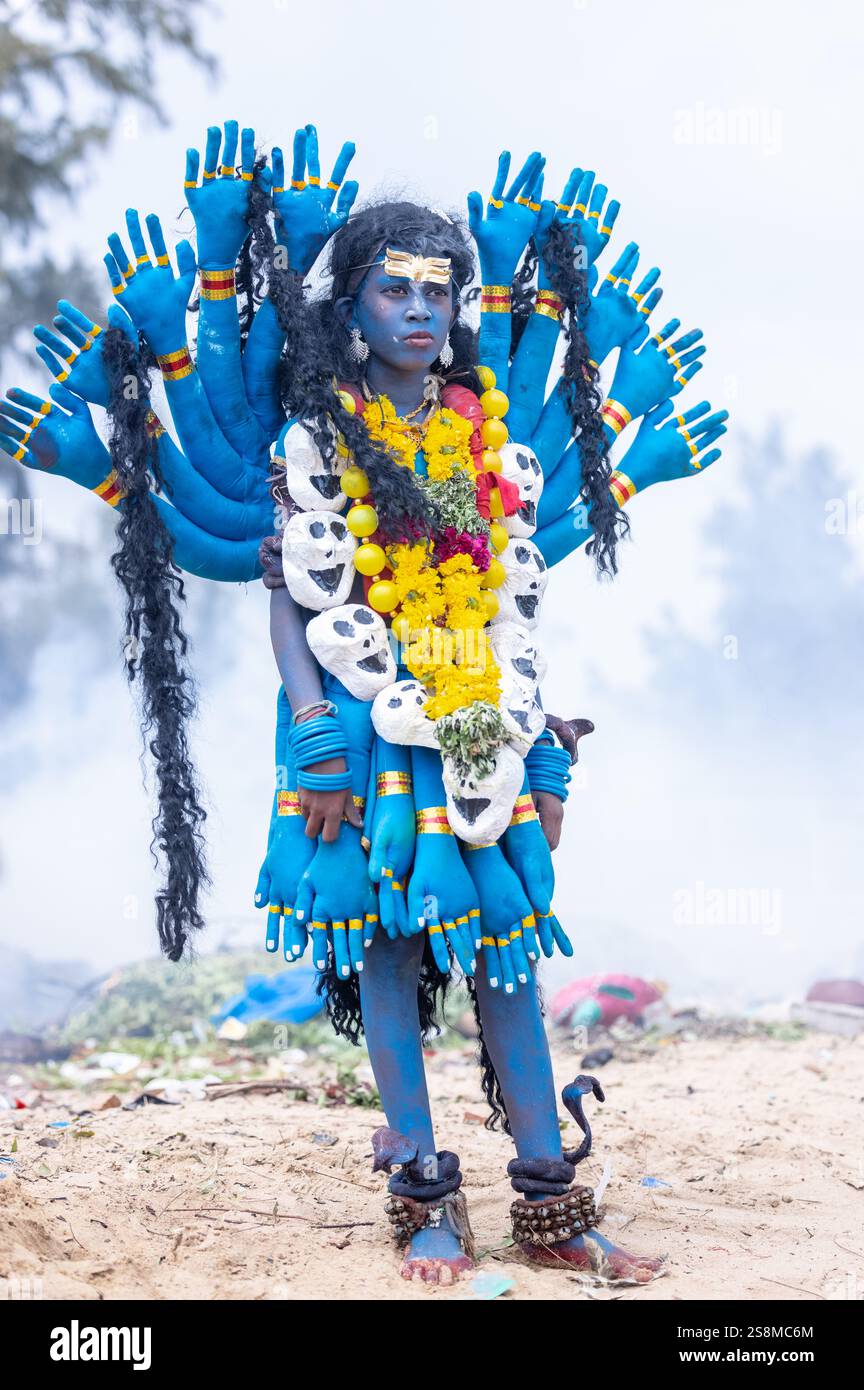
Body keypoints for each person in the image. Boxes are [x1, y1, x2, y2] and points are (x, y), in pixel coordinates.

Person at [0, 120, 727, 1286]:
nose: (421, 311)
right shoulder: (315, 436)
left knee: (506, 956)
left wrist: (538, 732)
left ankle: (552, 1205)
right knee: (386, 953)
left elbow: (506, 596)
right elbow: (291, 602)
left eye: (441, 291)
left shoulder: (487, 436)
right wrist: (313, 733)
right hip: (359, 725)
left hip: (478, 711)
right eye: (397, 289)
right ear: (352, 308)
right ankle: (425, 1202)